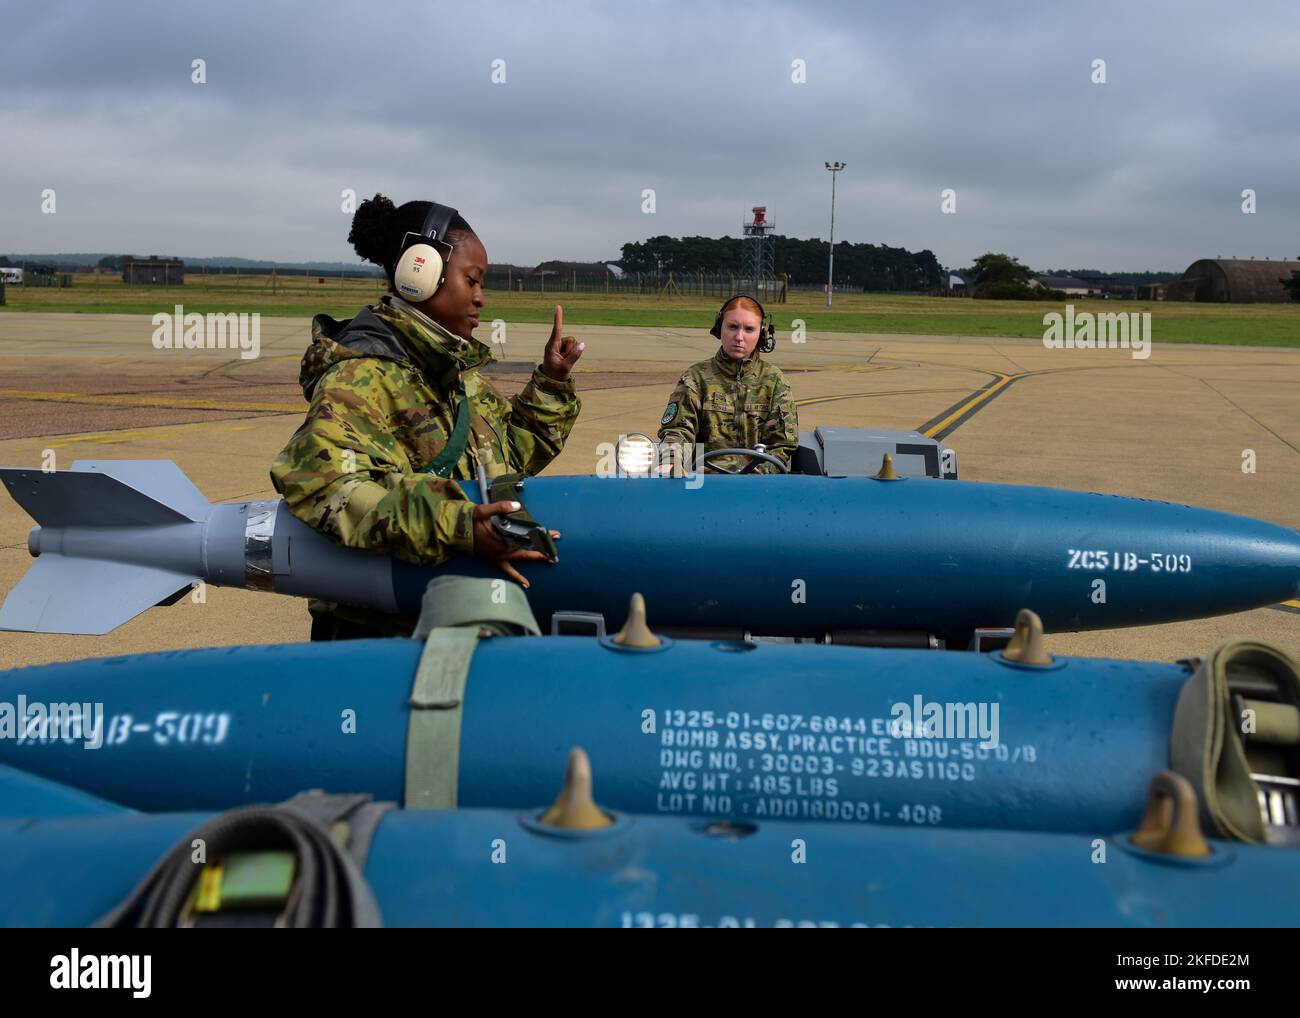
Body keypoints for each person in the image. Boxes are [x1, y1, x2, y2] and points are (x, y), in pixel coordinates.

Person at [270, 194, 584, 640]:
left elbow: (512, 458)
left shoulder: (453, 374)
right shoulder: (362, 376)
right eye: (471, 280)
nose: (481, 298)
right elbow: (324, 486)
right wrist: (458, 526)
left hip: (448, 617)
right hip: (378, 634)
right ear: (420, 273)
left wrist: (551, 383)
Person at [656, 294, 798, 474]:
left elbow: (782, 446)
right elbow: (679, 431)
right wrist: (671, 462)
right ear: (719, 328)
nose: (739, 337)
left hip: (759, 485)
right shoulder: (696, 377)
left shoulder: (775, 381)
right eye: (732, 327)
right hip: (706, 484)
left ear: (761, 334)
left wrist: (755, 476)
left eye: (749, 329)